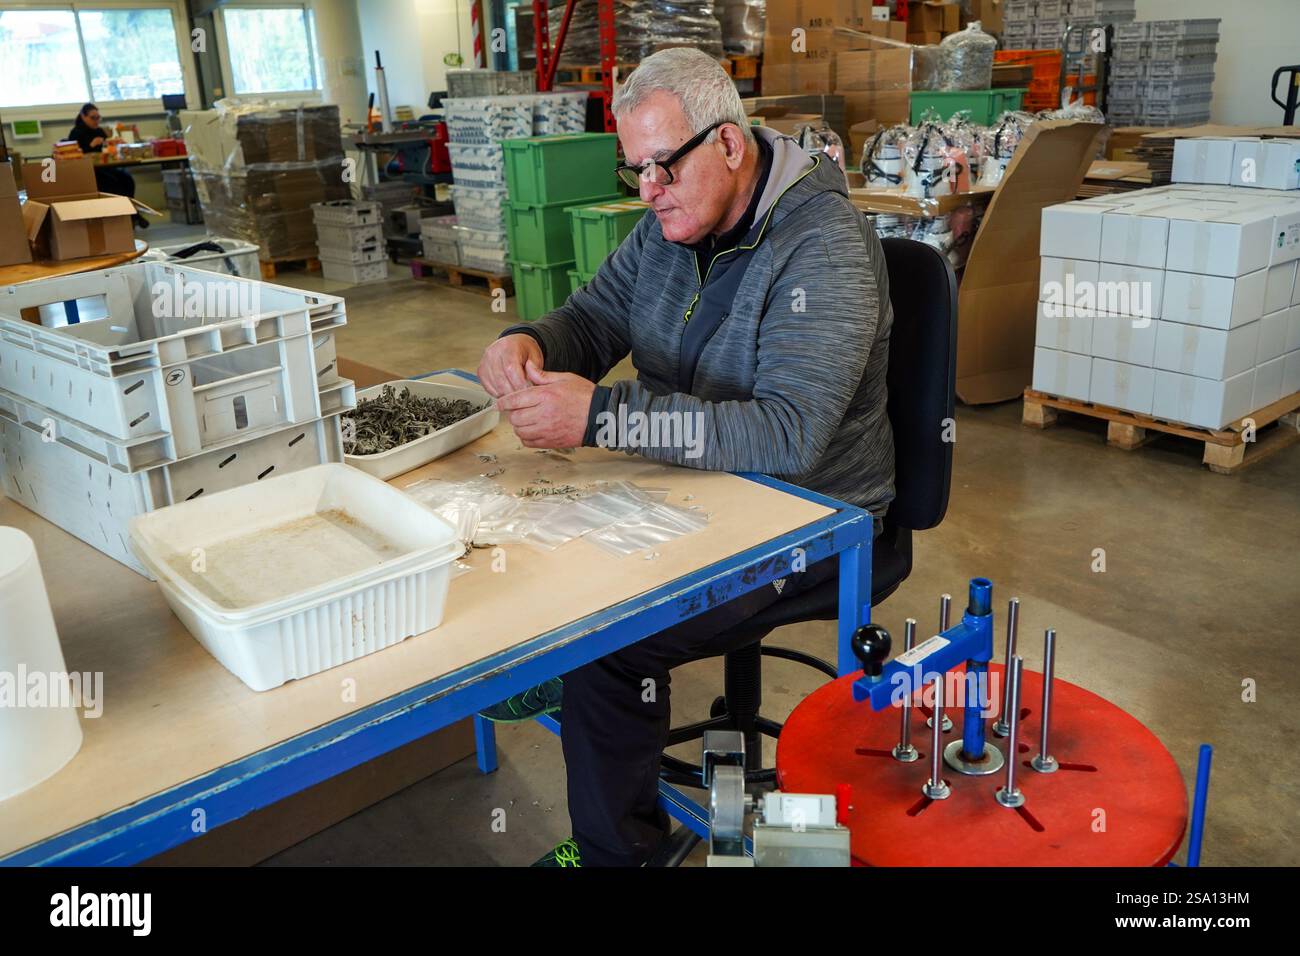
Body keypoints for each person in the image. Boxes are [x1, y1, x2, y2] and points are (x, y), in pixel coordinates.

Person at [475, 47, 895, 867]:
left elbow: (787, 436)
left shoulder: (825, 249)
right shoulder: (671, 224)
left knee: (609, 637)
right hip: (696, 489)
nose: (647, 189)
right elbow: (595, 321)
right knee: (518, 548)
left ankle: (617, 854)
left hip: (813, 519)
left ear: (729, 146)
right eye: (634, 168)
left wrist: (603, 415)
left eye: (662, 165)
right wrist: (526, 340)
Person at [67, 103, 147, 229]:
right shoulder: (76, 133)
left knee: (127, 179)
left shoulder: (99, 131)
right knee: (113, 183)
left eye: (98, 118)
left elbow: (107, 148)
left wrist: (113, 143)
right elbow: (75, 154)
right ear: (83, 117)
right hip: (90, 171)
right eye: (93, 118)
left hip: (105, 166)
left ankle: (132, 212)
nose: (96, 121)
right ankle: (127, 216)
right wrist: (91, 146)